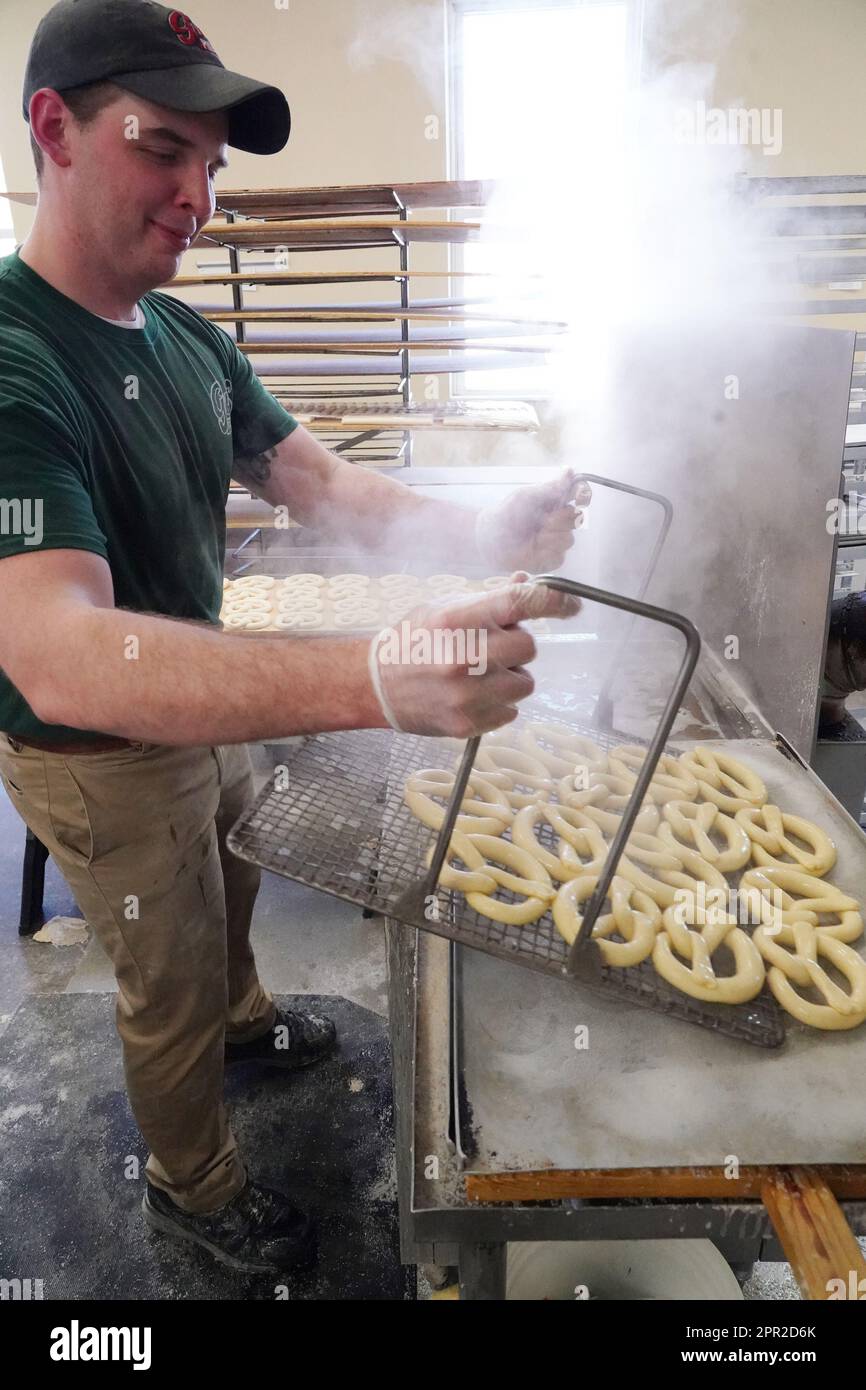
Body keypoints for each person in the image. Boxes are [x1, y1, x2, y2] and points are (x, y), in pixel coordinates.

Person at [0, 0, 586, 1275]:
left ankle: (247, 1018)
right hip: (90, 746)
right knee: (167, 971)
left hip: (199, 701)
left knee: (237, 866)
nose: (198, 194)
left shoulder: (186, 336)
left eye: (212, 165)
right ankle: (192, 1186)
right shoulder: (13, 360)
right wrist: (371, 677)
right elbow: (60, 649)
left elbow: (323, 486)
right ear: (53, 128)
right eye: (164, 149)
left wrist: (492, 523)